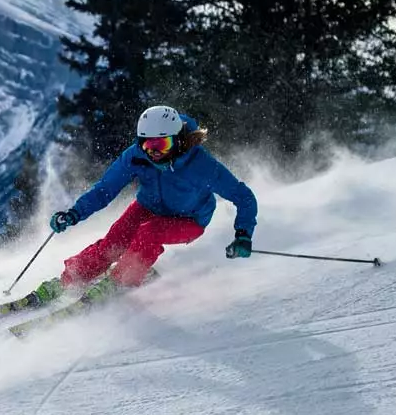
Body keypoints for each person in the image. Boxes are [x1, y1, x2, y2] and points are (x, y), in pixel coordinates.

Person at [37, 105, 257, 305]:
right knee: (114, 243)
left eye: (162, 144)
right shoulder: (136, 156)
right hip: (147, 207)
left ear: (178, 139)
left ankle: (120, 283)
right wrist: (74, 213)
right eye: (148, 145)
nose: (154, 153)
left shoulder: (201, 165)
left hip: (190, 220)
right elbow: (105, 190)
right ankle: (72, 277)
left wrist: (243, 234)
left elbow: (243, 197)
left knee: (148, 233)